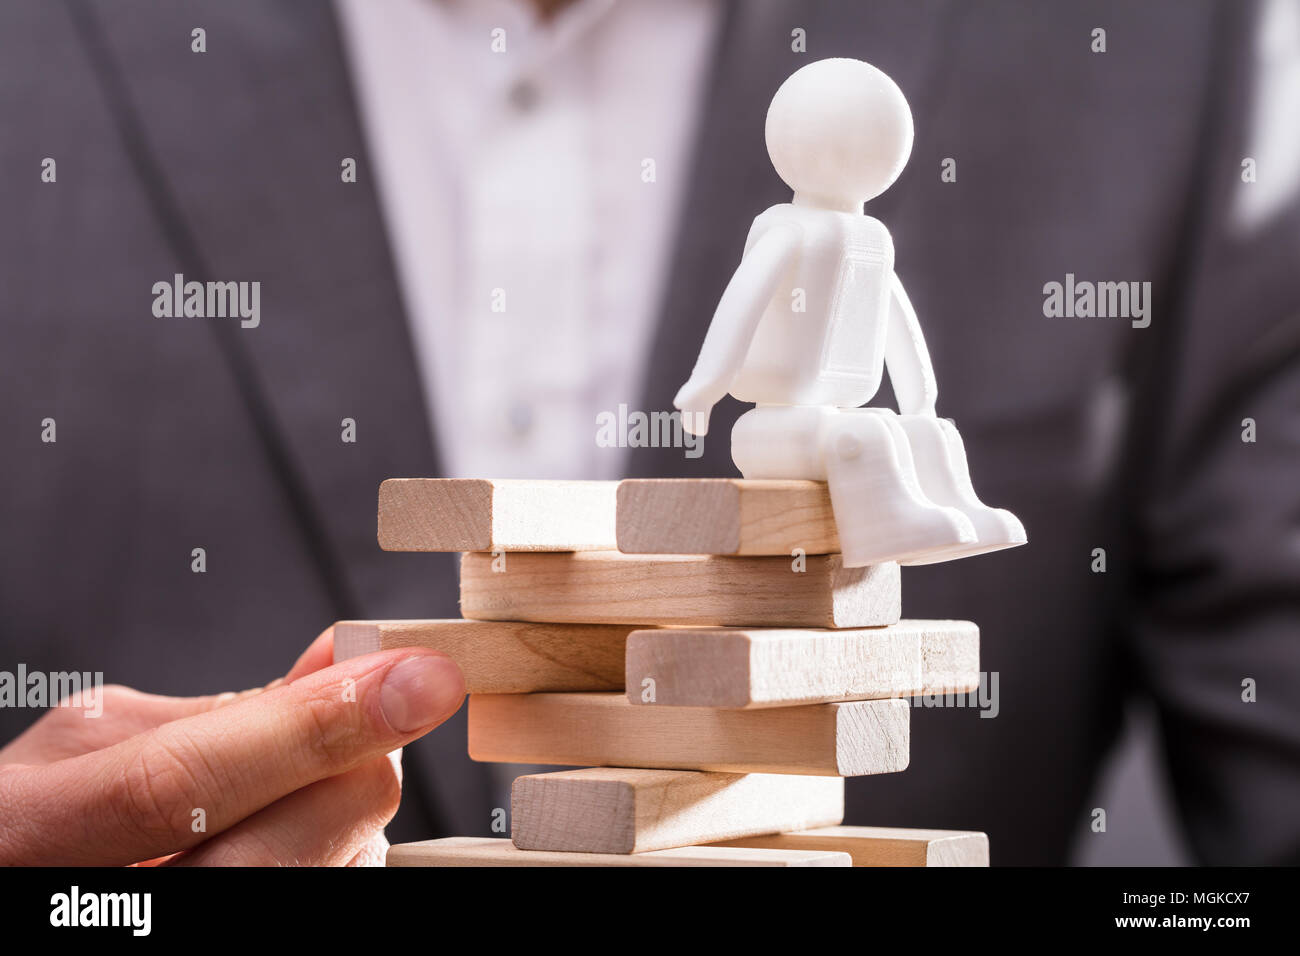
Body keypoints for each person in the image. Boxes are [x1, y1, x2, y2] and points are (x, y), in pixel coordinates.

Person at [1, 0, 1297, 866]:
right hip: (789, 437)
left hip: (831, 443)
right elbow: (740, 320)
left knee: (907, 446)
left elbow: (902, 344)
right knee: (865, 454)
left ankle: (940, 500)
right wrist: (699, 399)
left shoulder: (1188, 47)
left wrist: (921, 416)